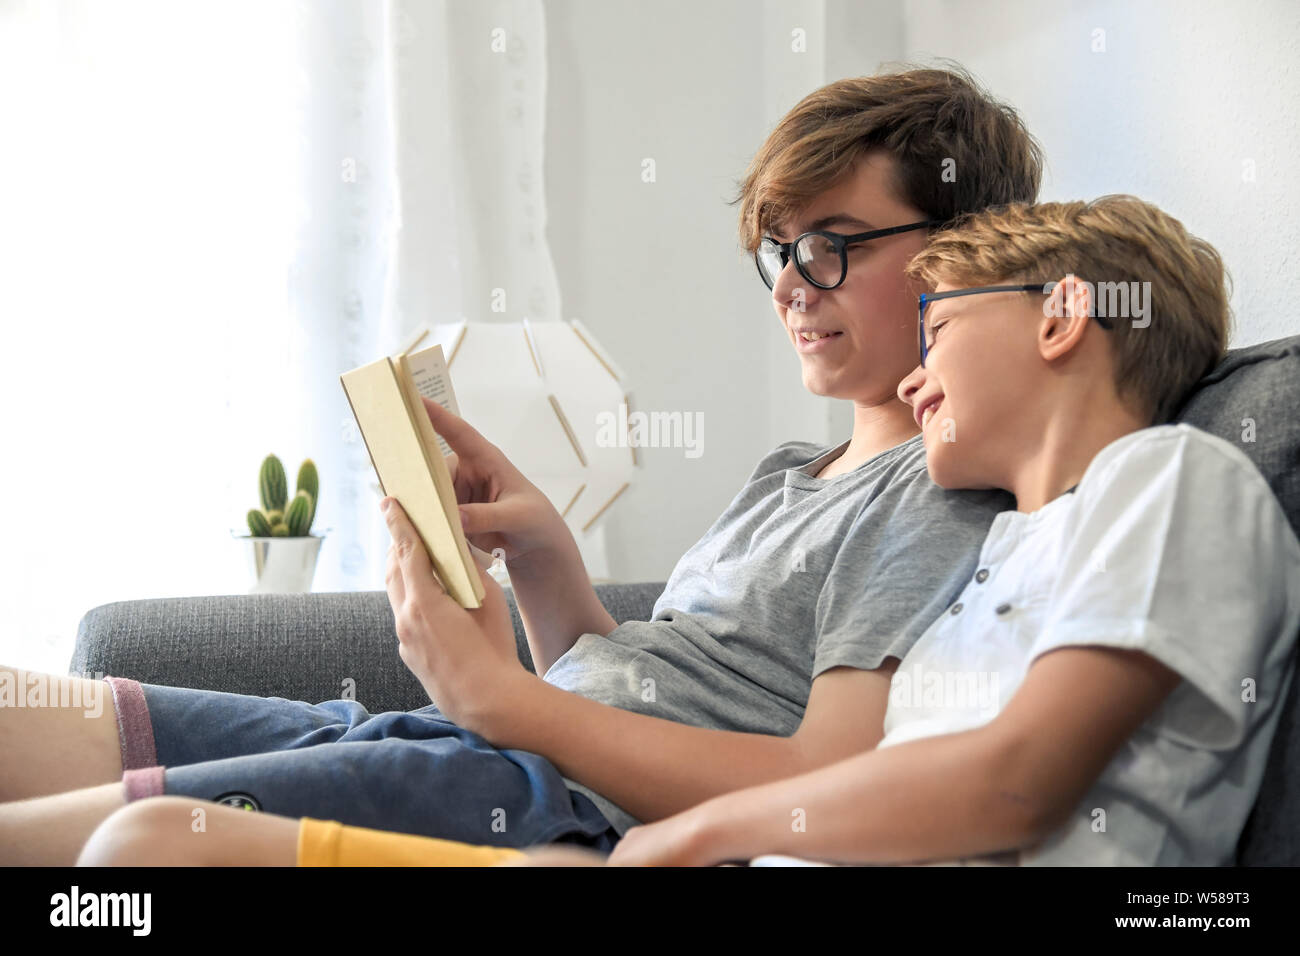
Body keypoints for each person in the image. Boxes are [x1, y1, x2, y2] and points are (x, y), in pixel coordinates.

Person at [0, 66, 1040, 867]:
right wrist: (547, 560)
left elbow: (828, 773)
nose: (792, 286)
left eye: (835, 244)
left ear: (967, 253)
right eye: (778, 249)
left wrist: (502, 701)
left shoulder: (934, 496)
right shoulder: (786, 472)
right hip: (482, 743)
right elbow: (639, 682)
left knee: (91, 842)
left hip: (534, 790)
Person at [576, 195, 1300, 866]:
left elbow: (1020, 784)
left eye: (939, 330)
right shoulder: (990, 563)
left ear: (1060, 318)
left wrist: (705, 829)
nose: (911, 382)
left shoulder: (1169, 477)